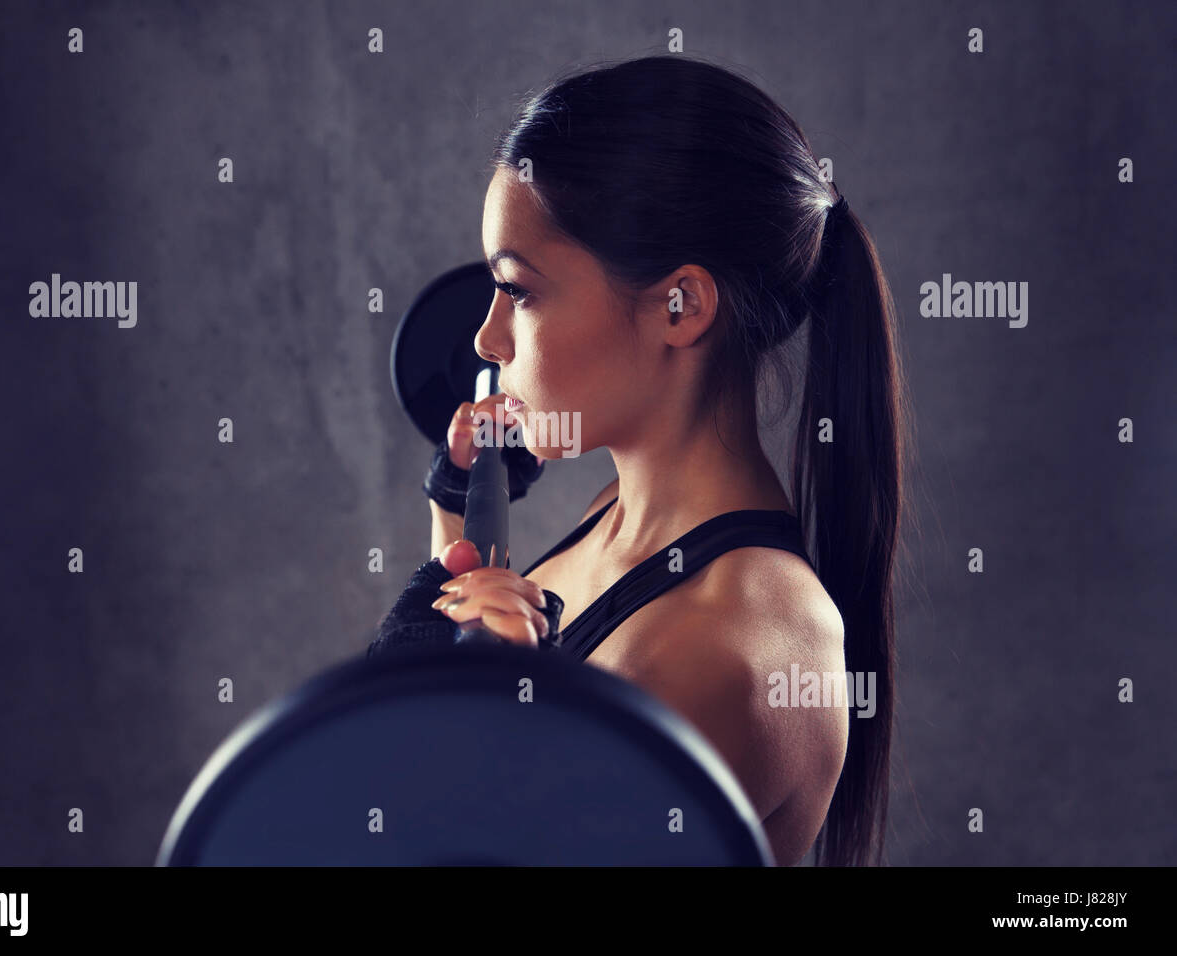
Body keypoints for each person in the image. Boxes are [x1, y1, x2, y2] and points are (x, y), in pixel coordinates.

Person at [375, 53, 912, 867]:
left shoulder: (729, 650)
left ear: (680, 306)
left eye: (519, 291)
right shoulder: (624, 518)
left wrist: (503, 724)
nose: (487, 340)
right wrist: (459, 497)